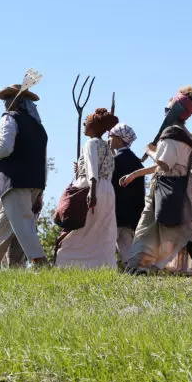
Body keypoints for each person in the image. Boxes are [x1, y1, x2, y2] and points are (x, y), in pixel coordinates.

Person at [122, 87, 192, 274]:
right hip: (179, 187)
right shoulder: (185, 136)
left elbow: (164, 164)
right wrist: (135, 174)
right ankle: (138, 266)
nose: (166, 113)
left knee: (151, 229)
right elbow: (166, 166)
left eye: (168, 109)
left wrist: (150, 150)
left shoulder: (172, 133)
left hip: (167, 188)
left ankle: (137, 266)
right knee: (180, 231)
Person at [0, 83, 50, 269]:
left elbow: (4, 148)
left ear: (18, 101)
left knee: (24, 226)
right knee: (4, 227)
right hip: (33, 182)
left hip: (14, 182)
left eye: (9, 99)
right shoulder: (38, 127)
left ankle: (44, 267)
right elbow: (42, 161)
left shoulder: (9, 118)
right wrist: (40, 192)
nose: (5, 103)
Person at [55, 108, 120, 269]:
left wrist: (92, 187)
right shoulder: (107, 147)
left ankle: (69, 263)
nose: (84, 125)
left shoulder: (90, 143)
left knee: (79, 230)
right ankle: (101, 264)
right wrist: (80, 171)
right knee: (100, 229)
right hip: (108, 190)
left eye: (87, 123)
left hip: (91, 187)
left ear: (93, 127)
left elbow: (92, 167)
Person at [110, 123, 145, 265]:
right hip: (132, 213)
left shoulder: (116, 161)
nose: (109, 139)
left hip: (116, 211)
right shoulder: (136, 162)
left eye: (111, 136)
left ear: (119, 139)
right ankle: (134, 269)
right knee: (126, 244)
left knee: (108, 243)